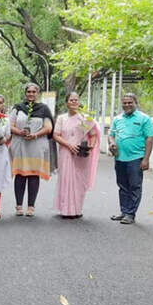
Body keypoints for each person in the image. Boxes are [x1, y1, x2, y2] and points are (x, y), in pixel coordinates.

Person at [108, 93, 153, 224]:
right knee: (122, 186)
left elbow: (149, 139)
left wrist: (146, 159)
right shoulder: (117, 119)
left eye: (130, 103)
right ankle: (124, 211)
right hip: (119, 158)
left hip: (136, 158)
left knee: (134, 186)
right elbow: (111, 135)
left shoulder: (144, 119)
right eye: (124, 103)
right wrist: (111, 143)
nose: (127, 105)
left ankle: (130, 213)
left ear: (136, 103)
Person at [53, 91, 102, 219]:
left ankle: (77, 209)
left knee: (79, 181)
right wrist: (69, 145)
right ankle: (66, 210)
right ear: (66, 103)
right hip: (66, 152)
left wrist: (91, 145)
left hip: (81, 153)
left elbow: (93, 135)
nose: (74, 102)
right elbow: (56, 135)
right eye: (71, 100)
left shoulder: (86, 118)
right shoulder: (61, 118)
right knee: (66, 180)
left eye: (76, 100)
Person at [9, 83, 54, 217]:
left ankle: (31, 206)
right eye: (28, 91)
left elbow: (48, 127)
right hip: (20, 144)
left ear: (37, 93)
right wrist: (19, 132)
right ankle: (18, 206)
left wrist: (35, 134)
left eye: (34, 92)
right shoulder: (18, 108)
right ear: (25, 93)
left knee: (34, 175)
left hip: (36, 145)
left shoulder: (43, 109)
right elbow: (10, 125)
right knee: (20, 175)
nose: (31, 94)